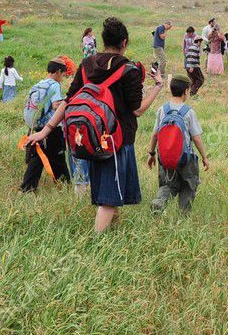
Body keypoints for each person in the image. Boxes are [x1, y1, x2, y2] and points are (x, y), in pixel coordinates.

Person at [28, 17, 164, 233]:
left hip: (89, 138)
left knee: (111, 194)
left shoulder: (86, 65)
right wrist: (158, 87)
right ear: (124, 42)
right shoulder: (129, 69)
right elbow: (137, 109)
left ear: (102, 41)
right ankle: (96, 244)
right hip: (116, 141)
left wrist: (46, 130)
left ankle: (114, 237)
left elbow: (68, 101)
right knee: (108, 200)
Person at [147, 76, 210, 212]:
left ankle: (159, 202)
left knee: (167, 185)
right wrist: (204, 157)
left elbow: (155, 134)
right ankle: (183, 214)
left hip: (166, 157)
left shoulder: (162, 110)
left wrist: (151, 153)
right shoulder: (189, 112)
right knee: (188, 185)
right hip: (186, 157)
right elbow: (196, 138)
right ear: (186, 91)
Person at [21, 59, 71, 192]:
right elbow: (55, 106)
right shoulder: (54, 85)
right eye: (63, 74)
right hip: (51, 129)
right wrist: (68, 103)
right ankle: (65, 186)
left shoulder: (38, 84)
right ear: (59, 71)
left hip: (36, 128)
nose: (63, 77)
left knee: (37, 159)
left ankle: (27, 187)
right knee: (58, 158)